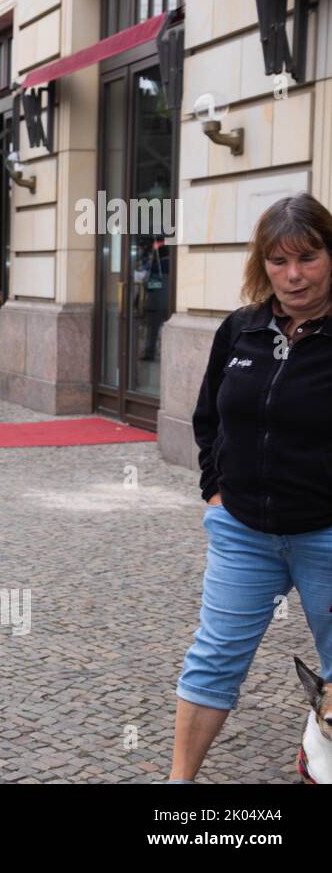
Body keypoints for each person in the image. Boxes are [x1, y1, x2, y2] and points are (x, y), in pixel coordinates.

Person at [170, 192, 332, 781]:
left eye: (308, 258)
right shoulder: (242, 329)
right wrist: (216, 491)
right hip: (243, 532)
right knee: (213, 660)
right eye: (277, 260)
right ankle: (177, 790)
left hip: (326, 536)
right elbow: (209, 415)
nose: (292, 275)